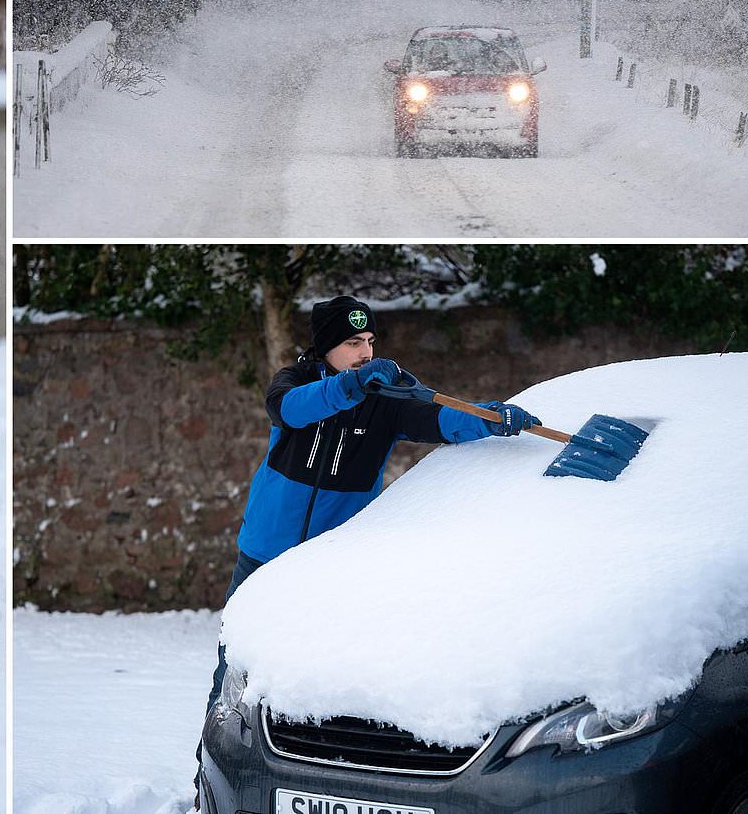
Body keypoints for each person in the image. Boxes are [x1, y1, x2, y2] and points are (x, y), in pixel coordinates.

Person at [197, 296, 538, 768]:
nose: (364, 352)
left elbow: (441, 417)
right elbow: (290, 411)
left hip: (331, 563)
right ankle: (208, 780)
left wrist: (492, 418)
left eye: (370, 342)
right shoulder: (294, 383)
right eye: (352, 343)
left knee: (316, 678)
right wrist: (351, 386)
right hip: (264, 557)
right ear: (325, 349)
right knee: (235, 674)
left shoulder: (386, 401)